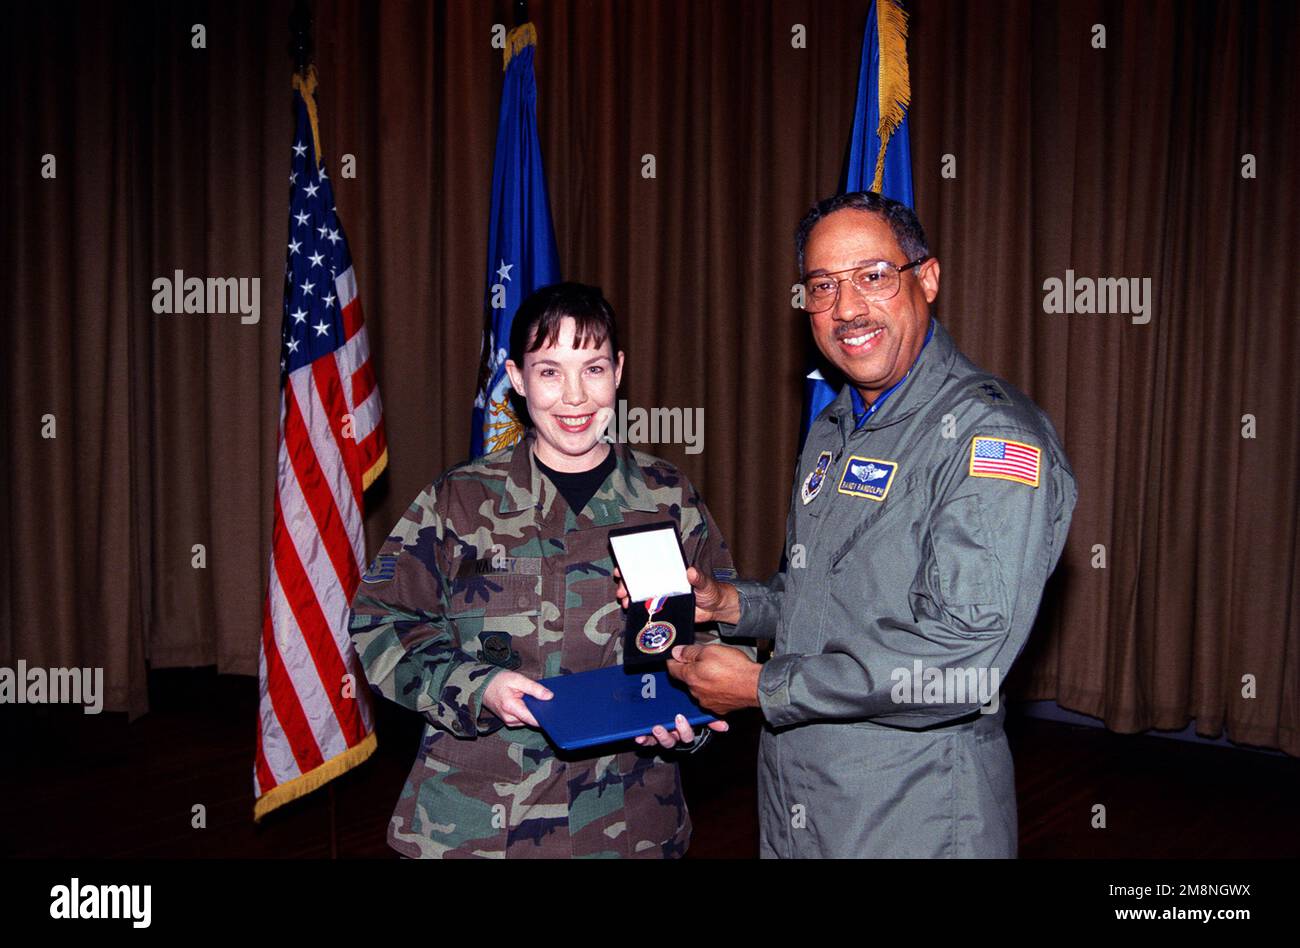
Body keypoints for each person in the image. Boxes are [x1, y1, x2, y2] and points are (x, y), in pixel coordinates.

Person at [627, 191, 1078, 857]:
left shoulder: (989, 438)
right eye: (822, 286)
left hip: (911, 814)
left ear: (926, 278)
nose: (847, 309)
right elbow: (815, 602)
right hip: (797, 797)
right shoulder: (837, 425)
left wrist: (760, 686)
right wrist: (729, 604)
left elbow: (958, 661)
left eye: (873, 277)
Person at [349, 282, 733, 858]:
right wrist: (480, 687)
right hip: (479, 825)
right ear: (517, 378)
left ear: (619, 371)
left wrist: (690, 717)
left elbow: (717, 629)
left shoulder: (667, 495)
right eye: (550, 371)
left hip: (631, 822)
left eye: (594, 367)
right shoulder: (457, 501)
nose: (575, 397)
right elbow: (381, 621)